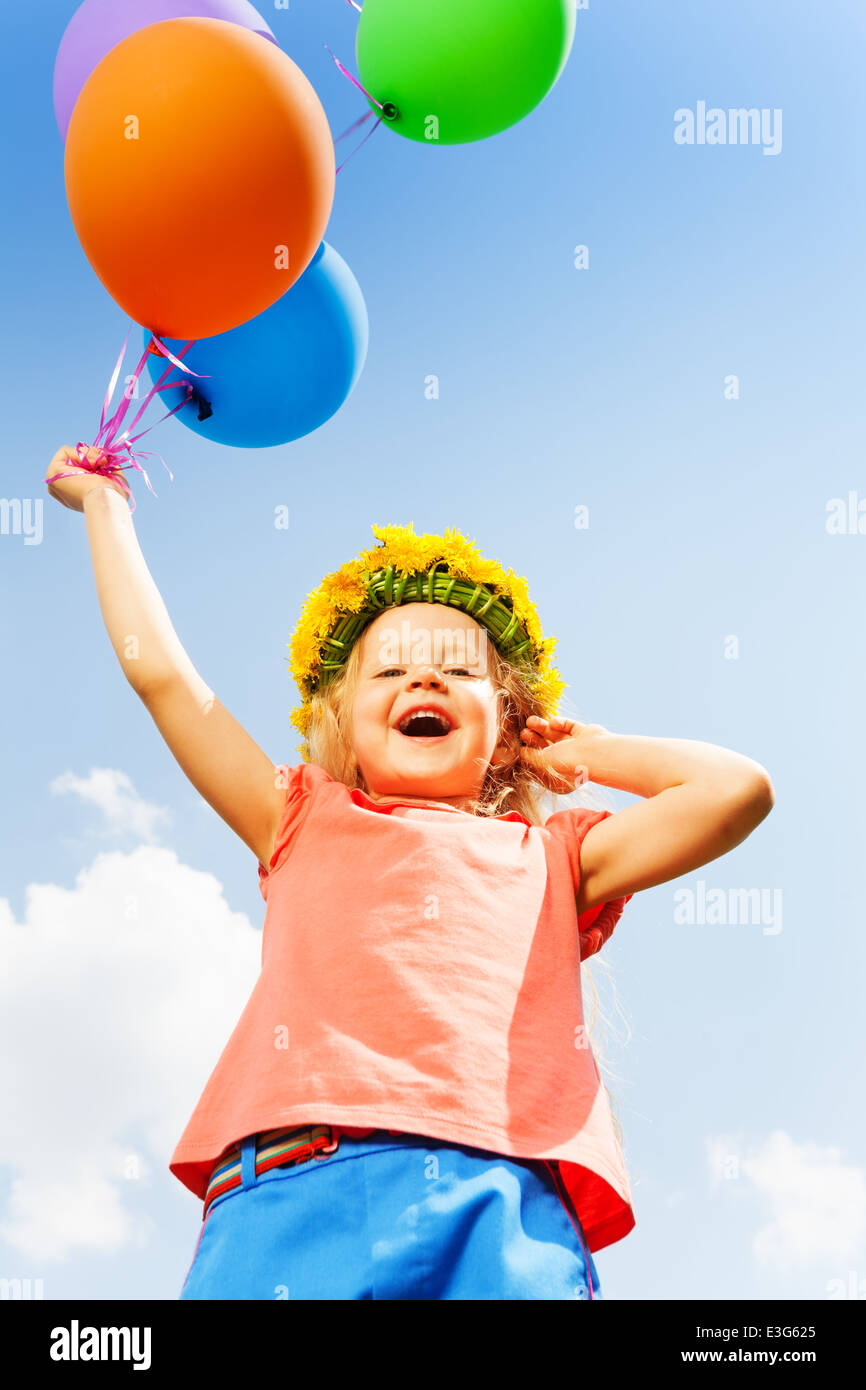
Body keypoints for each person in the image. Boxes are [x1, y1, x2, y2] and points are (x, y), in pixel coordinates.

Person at [45, 448, 775, 1300]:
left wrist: (591, 751)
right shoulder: (299, 817)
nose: (424, 675)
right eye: (389, 669)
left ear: (508, 730)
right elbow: (164, 677)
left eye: (460, 669)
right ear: (343, 728)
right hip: (294, 1194)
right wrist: (106, 507)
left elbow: (736, 792)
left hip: (500, 1205)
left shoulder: (555, 856)